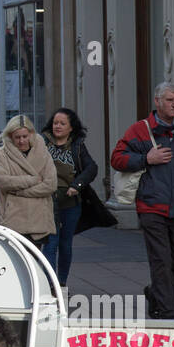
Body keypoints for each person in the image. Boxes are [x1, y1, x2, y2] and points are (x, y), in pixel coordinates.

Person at [111, 81, 174, 319]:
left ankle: (155, 293)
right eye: (170, 100)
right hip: (152, 206)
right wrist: (146, 158)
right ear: (157, 101)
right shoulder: (139, 130)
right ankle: (169, 312)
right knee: (161, 260)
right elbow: (117, 159)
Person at [41, 107, 115, 285]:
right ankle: (50, 285)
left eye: (62, 123)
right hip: (46, 201)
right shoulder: (42, 143)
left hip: (71, 202)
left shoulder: (77, 145)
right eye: (55, 123)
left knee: (65, 244)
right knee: (50, 243)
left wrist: (77, 185)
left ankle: (62, 283)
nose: (57, 126)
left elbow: (91, 168)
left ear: (71, 127)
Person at [0, 114, 57, 249]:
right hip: (13, 218)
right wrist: (32, 180)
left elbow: (50, 185)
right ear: (10, 137)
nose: (21, 141)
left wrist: (17, 191)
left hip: (38, 218)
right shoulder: (1, 154)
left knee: (35, 263)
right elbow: (1, 181)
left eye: (24, 136)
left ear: (31, 134)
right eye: (17, 137)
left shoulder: (43, 153)